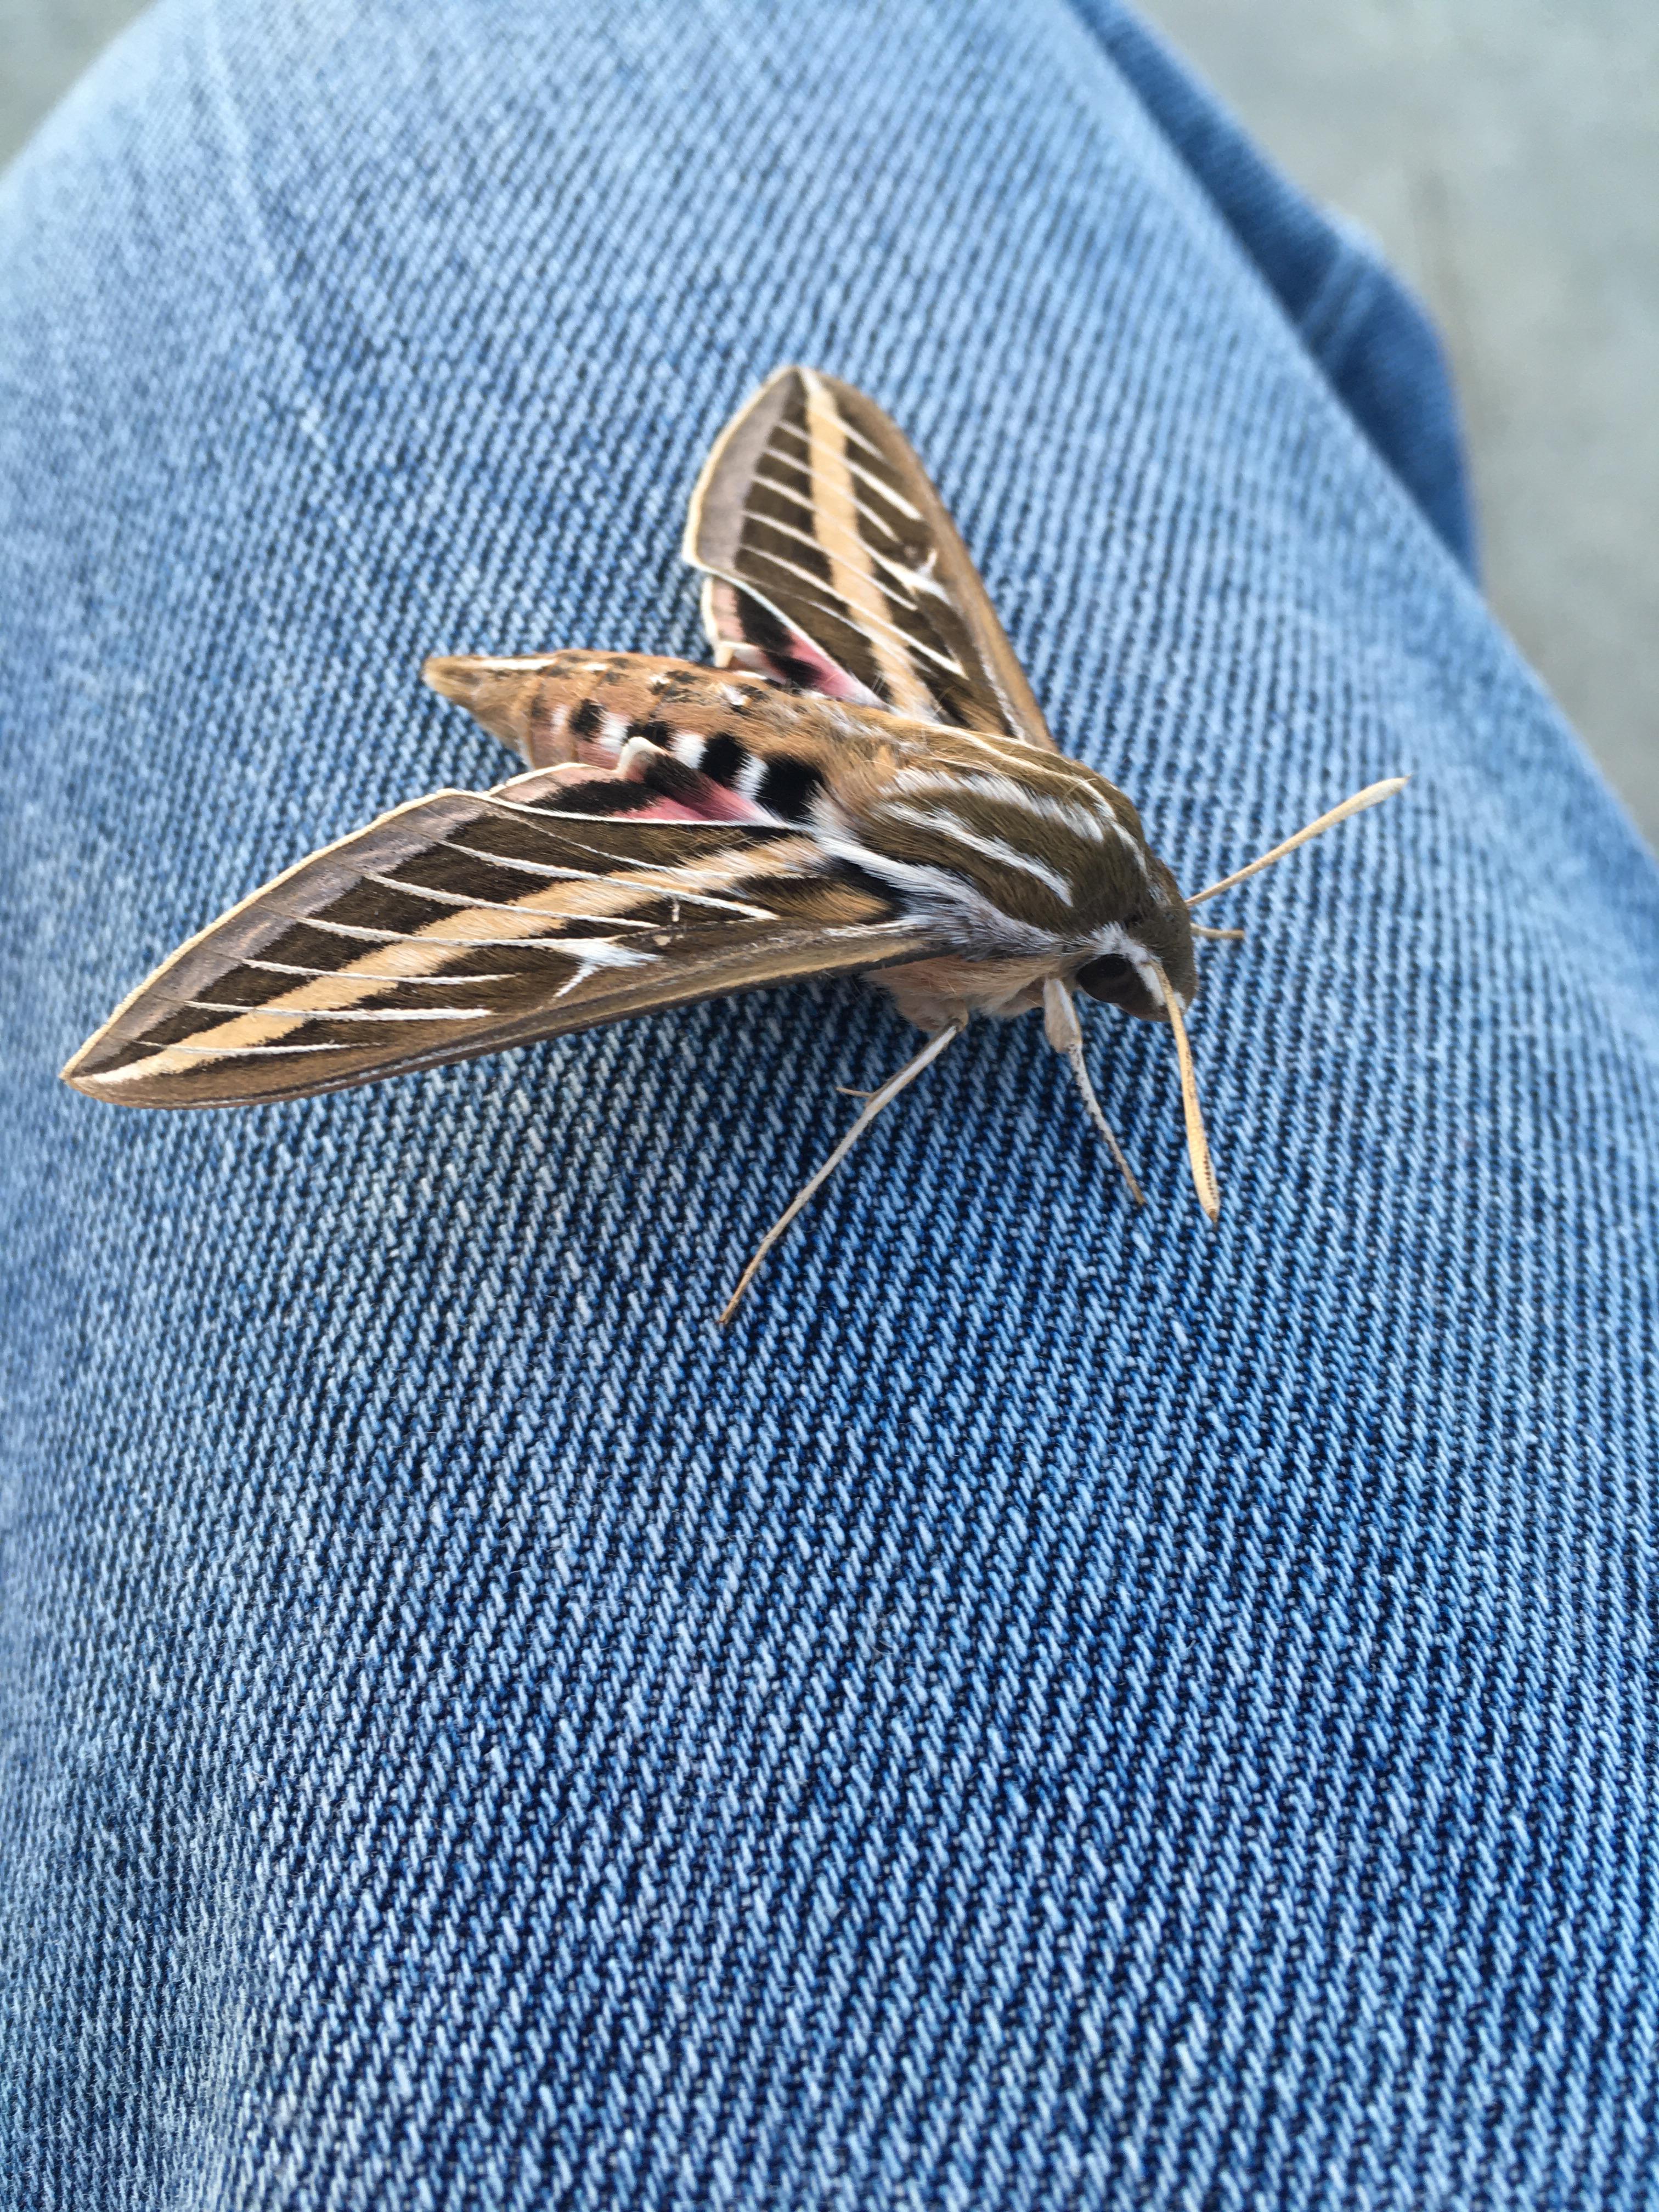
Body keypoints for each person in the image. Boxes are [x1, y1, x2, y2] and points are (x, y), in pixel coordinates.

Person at [2, 1, 1654, 2204]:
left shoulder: (1048, 809)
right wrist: (905, 1158)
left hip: (856, 719)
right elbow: (954, 1005)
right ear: (1075, 951)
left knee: (354, 73)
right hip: (745, 815)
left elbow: (836, 469)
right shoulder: (991, 940)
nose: (1123, 1004)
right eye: (1117, 983)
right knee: (500, 962)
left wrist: (1120, 957)